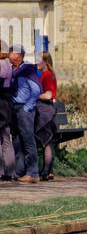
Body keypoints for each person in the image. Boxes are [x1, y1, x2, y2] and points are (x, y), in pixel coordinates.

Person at [8, 44, 42, 183]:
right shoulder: (12, 70)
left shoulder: (27, 69)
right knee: (17, 140)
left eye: (11, 52)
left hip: (24, 108)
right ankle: (20, 171)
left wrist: (28, 107)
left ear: (19, 55)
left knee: (28, 140)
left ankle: (33, 173)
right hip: (14, 107)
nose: (9, 54)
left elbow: (36, 90)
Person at [36, 51, 58, 180]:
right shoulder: (50, 74)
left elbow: (49, 95)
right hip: (49, 111)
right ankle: (48, 171)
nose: (36, 62)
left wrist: (34, 96)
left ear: (45, 62)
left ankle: (44, 172)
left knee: (46, 143)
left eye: (38, 60)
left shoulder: (47, 75)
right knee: (48, 143)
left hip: (45, 113)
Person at [0, 50, 16, 181]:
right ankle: (10, 171)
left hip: (1, 102)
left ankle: (1, 171)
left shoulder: (1, 65)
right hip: (7, 103)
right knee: (6, 138)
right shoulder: (8, 65)